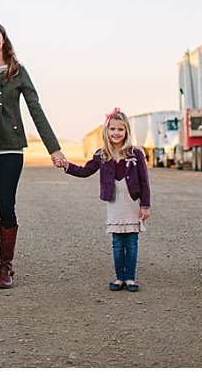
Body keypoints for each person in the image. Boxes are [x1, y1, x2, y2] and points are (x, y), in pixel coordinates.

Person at [0, 20, 66, 289]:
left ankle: (6, 268)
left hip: (10, 147)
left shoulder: (18, 72)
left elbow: (35, 109)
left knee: (6, 205)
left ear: (4, 40)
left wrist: (54, 149)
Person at [60, 109, 151, 292]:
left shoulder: (136, 154)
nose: (116, 133)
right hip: (115, 203)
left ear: (126, 132)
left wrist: (145, 205)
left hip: (132, 202)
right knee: (117, 242)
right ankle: (119, 278)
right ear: (106, 131)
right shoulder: (102, 154)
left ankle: (130, 279)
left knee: (132, 242)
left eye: (120, 129)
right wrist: (67, 166)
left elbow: (144, 181)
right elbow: (85, 171)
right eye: (112, 129)